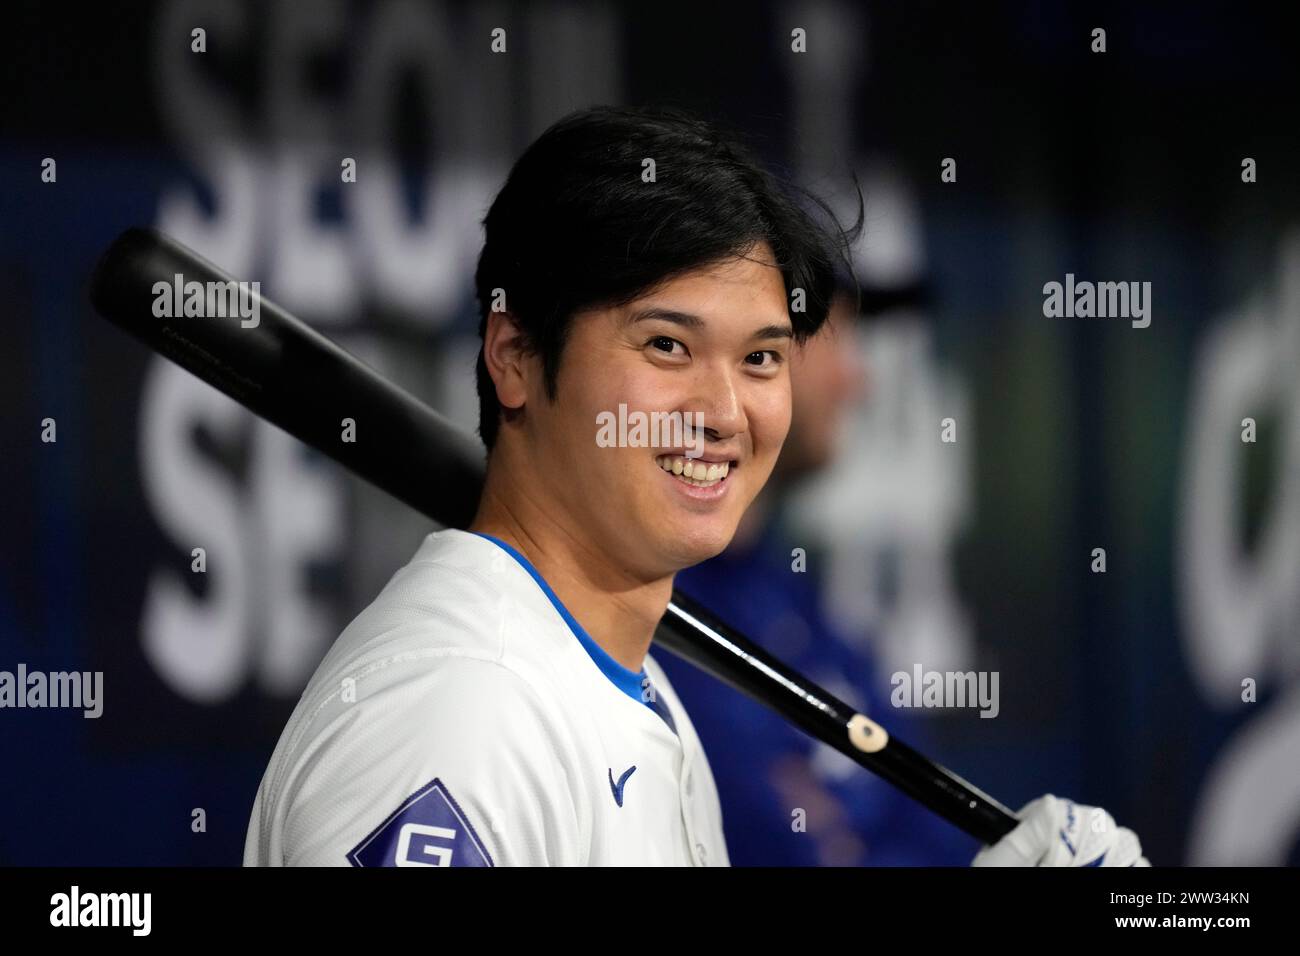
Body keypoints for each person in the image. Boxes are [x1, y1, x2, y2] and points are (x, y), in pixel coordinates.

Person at [243, 104, 1149, 867]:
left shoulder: (635, 684)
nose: (723, 412)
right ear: (515, 356)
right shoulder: (455, 717)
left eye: (761, 358)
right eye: (667, 346)